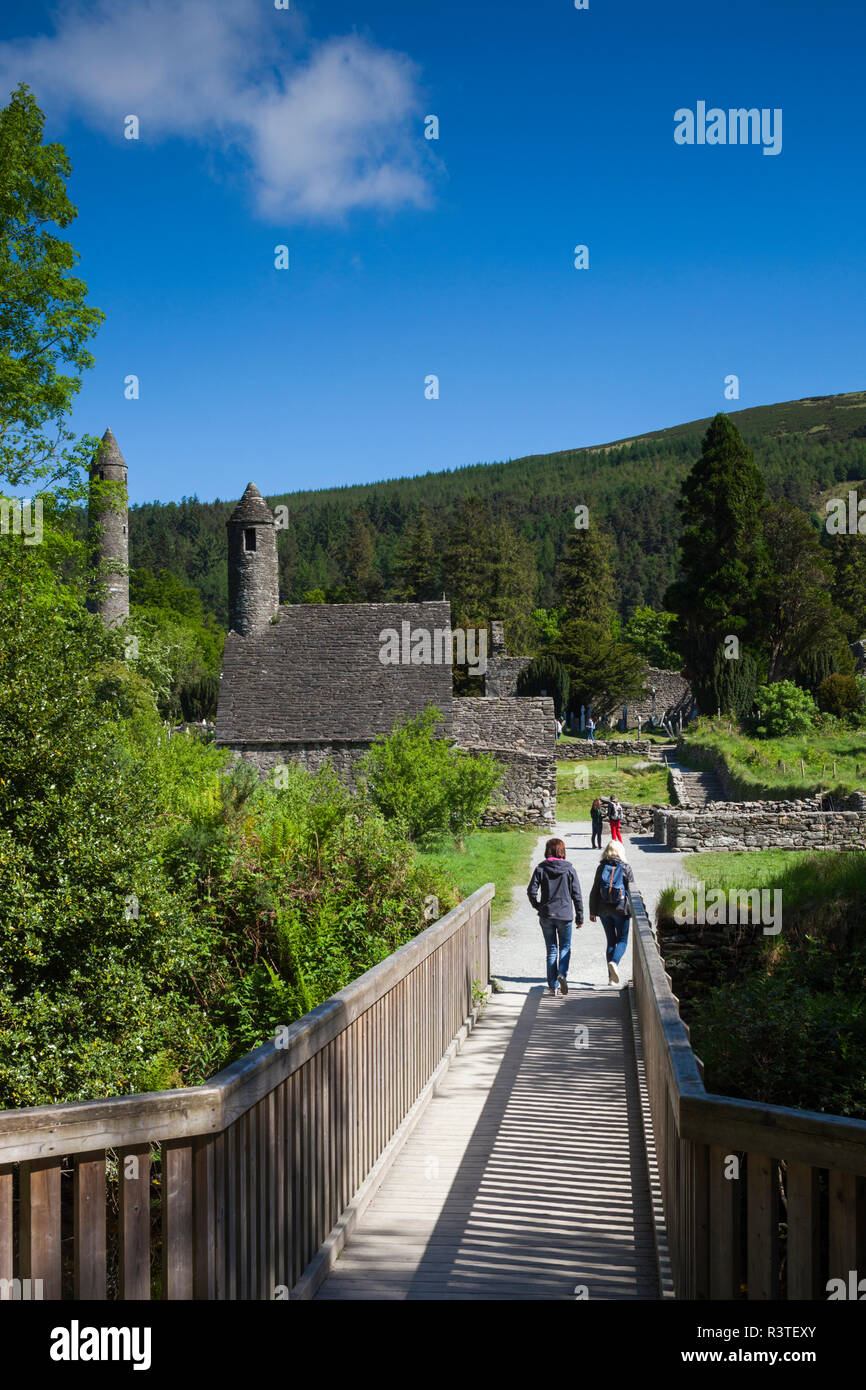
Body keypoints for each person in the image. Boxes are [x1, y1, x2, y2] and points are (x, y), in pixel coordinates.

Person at [526, 836, 583, 996]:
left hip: (547, 914)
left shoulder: (541, 868)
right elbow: (576, 894)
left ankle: (553, 987)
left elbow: (531, 891)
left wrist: (538, 906)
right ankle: (562, 974)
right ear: (562, 851)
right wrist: (580, 917)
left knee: (551, 950)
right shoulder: (570, 869)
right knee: (565, 947)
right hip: (565, 914)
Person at [589, 840, 634, 985]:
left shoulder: (601, 867)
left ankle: (611, 979)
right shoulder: (625, 867)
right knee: (622, 940)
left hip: (603, 910)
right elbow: (632, 890)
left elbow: (595, 890)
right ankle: (614, 962)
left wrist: (592, 911)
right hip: (621, 909)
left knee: (610, 941)